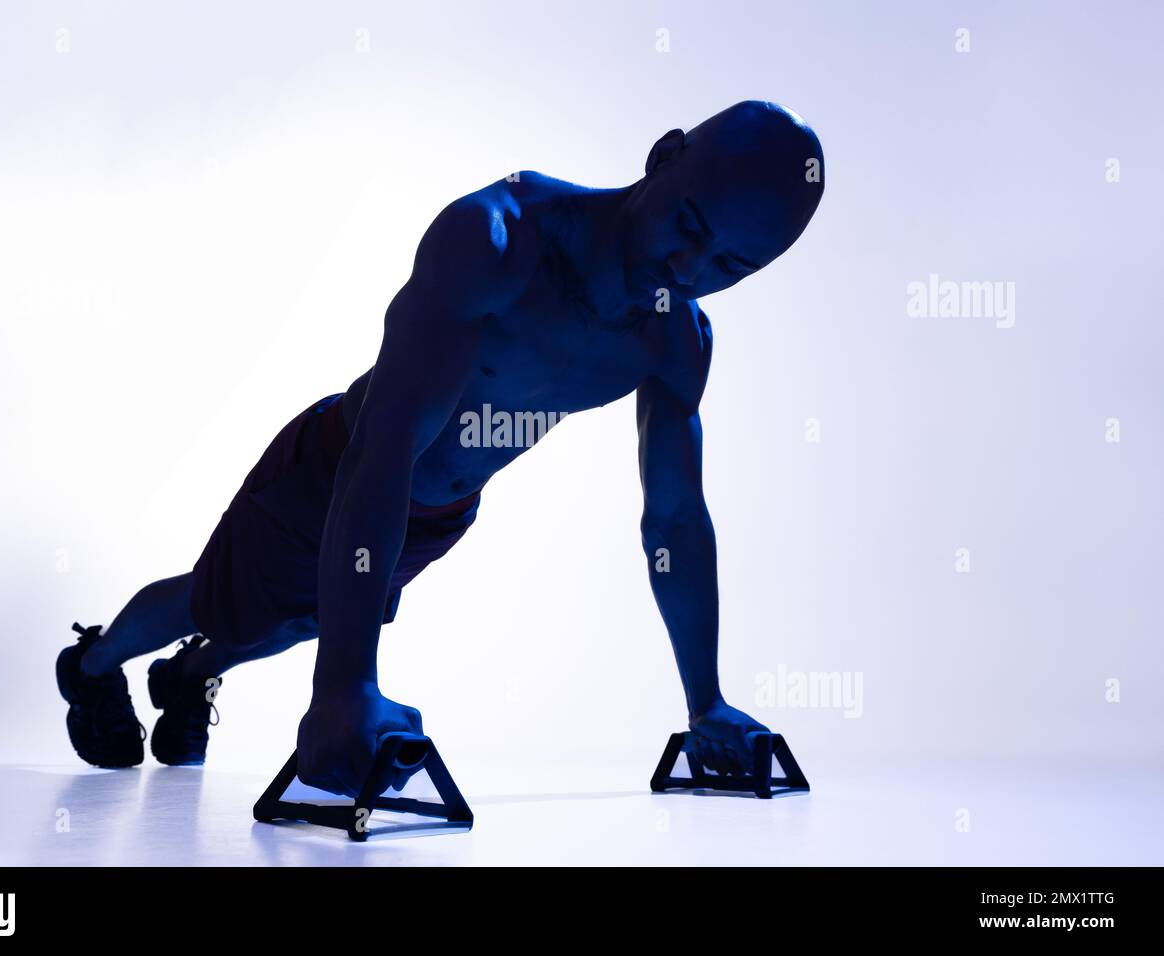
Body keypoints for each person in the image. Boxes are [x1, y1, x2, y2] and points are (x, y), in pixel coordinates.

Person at [56, 100, 825, 797]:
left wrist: (706, 703)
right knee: (219, 599)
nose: (690, 268)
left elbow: (676, 524)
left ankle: (187, 675)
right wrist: (346, 690)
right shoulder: (497, 239)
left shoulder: (676, 338)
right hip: (338, 468)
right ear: (664, 155)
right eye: (690, 226)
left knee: (302, 621)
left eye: (730, 266)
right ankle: (92, 666)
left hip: (440, 512)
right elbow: (382, 449)